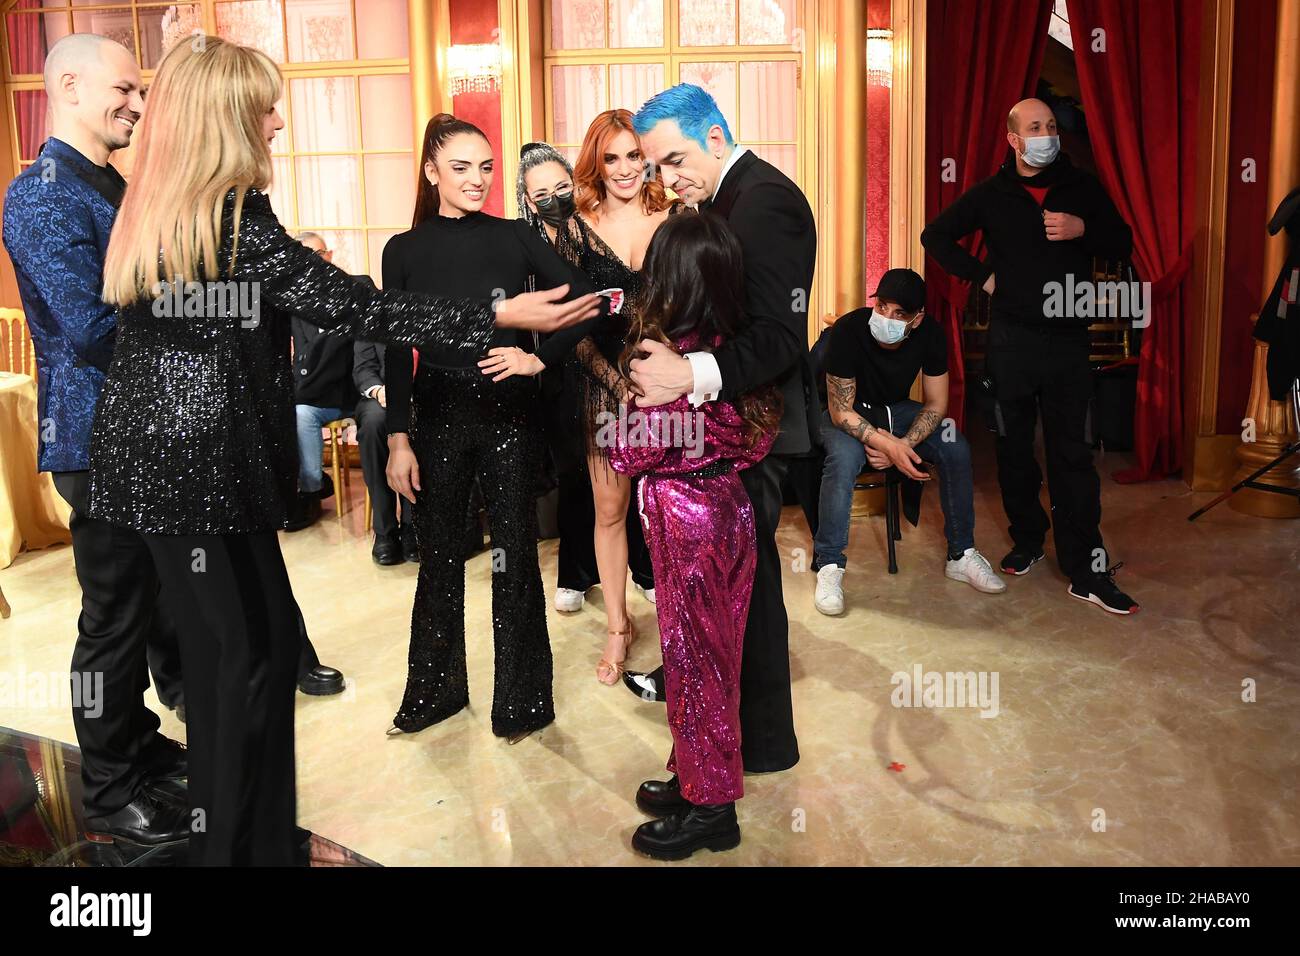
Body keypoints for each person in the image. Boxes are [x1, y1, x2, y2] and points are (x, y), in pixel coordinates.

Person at [88, 40, 598, 865]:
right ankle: (247, 850)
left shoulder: (159, 207)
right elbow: (357, 305)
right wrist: (498, 320)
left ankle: (251, 841)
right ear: (225, 121)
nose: (279, 120)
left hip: (156, 471)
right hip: (204, 474)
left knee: (242, 665)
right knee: (247, 670)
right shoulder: (231, 220)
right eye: (264, 108)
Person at [1, 32, 189, 847]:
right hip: (97, 437)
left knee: (149, 612)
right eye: (125, 89)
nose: (138, 106)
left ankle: (136, 746)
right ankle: (109, 787)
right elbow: (88, 326)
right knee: (112, 621)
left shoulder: (108, 181)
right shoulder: (40, 192)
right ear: (69, 85)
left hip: (143, 431)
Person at [382, 114, 608, 742]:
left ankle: (523, 701)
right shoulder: (403, 250)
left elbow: (590, 299)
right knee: (440, 560)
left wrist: (539, 356)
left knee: (514, 561)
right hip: (438, 416)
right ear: (431, 171)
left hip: (509, 412)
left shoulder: (515, 235)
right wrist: (398, 437)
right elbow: (400, 348)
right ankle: (435, 693)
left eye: (486, 167)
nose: (477, 180)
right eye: (461, 168)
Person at [629, 84, 816, 773]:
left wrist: (689, 375)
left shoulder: (765, 201)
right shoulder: (719, 201)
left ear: (714, 137)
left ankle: (758, 744)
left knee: (753, 595)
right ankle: (744, 739)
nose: (667, 179)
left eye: (673, 159)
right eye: (656, 167)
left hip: (753, 430)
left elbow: (777, 338)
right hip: (724, 430)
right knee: (739, 591)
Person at [921, 97, 1139, 614]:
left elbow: (1123, 241)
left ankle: (1085, 566)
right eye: (1035, 127)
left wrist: (1084, 230)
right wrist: (982, 276)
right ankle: (1027, 540)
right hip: (1012, 341)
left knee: (1071, 454)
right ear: (1014, 140)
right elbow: (936, 236)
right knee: (1014, 449)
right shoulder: (992, 195)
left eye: (1050, 125)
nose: (1048, 133)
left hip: (1067, 339)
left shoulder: (1081, 187)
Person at [610, 213, 780, 860]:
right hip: (726, 511)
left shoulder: (666, 362)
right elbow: (758, 434)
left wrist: (628, 402)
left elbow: (627, 452)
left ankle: (712, 810)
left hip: (691, 527)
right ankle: (693, 775)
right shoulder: (723, 352)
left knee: (698, 663)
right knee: (701, 659)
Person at [488, 113, 679, 685]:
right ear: (595, 163)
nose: (623, 169)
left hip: (673, 383)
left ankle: (679, 625)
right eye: (610, 158)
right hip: (604, 386)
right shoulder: (575, 227)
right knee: (610, 510)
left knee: (674, 515)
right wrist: (619, 384)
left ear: (646, 157)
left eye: (632, 156)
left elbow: (695, 302)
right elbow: (574, 323)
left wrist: (667, 378)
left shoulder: (679, 215)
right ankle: (619, 626)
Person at [516, 142, 658, 620]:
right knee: (582, 484)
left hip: (643, 373)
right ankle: (576, 575)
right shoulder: (543, 236)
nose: (555, 199)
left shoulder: (655, 218)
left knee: (639, 488)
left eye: (562, 188)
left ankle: (646, 571)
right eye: (543, 194)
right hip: (572, 371)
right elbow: (558, 318)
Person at [814, 268, 1006, 615]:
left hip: (898, 411)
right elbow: (840, 410)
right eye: (882, 306)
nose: (886, 317)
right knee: (842, 459)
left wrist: (901, 442)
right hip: (850, 410)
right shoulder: (848, 330)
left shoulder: (931, 334)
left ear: (917, 319)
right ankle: (828, 565)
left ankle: (961, 555)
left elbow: (936, 403)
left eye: (899, 313)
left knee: (955, 444)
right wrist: (891, 446)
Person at [286, 231, 359, 531]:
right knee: (287, 410)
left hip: (346, 394)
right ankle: (304, 486)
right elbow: (301, 359)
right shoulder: (295, 305)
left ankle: (311, 488)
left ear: (329, 255)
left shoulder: (351, 293)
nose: (312, 262)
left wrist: (301, 384)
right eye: (304, 256)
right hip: (313, 393)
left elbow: (336, 360)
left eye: (317, 254)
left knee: (300, 409)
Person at [353, 335, 417, 564]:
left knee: (418, 418)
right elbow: (363, 369)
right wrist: (380, 391)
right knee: (373, 424)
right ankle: (385, 531)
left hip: (421, 395)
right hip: (380, 397)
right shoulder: (371, 317)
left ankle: (413, 526)